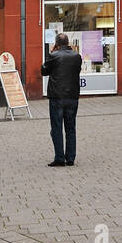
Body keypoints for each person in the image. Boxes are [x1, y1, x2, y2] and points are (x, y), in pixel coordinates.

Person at [41, 33, 82, 167]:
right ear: (68, 42)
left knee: (56, 128)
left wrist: (52, 53)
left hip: (57, 97)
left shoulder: (54, 55)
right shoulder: (77, 56)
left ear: (56, 43)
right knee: (71, 128)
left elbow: (44, 71)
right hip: (72, 96)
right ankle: (70, 158)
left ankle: (59, 158)